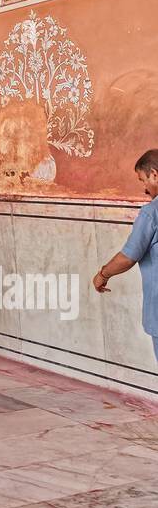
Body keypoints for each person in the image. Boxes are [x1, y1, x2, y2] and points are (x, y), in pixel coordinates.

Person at [94, 149, 158, 363]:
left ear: (154, 174)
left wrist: (103, 274)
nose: (144, 188)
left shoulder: (151, 213)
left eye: (143, 180)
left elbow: (128, 257)